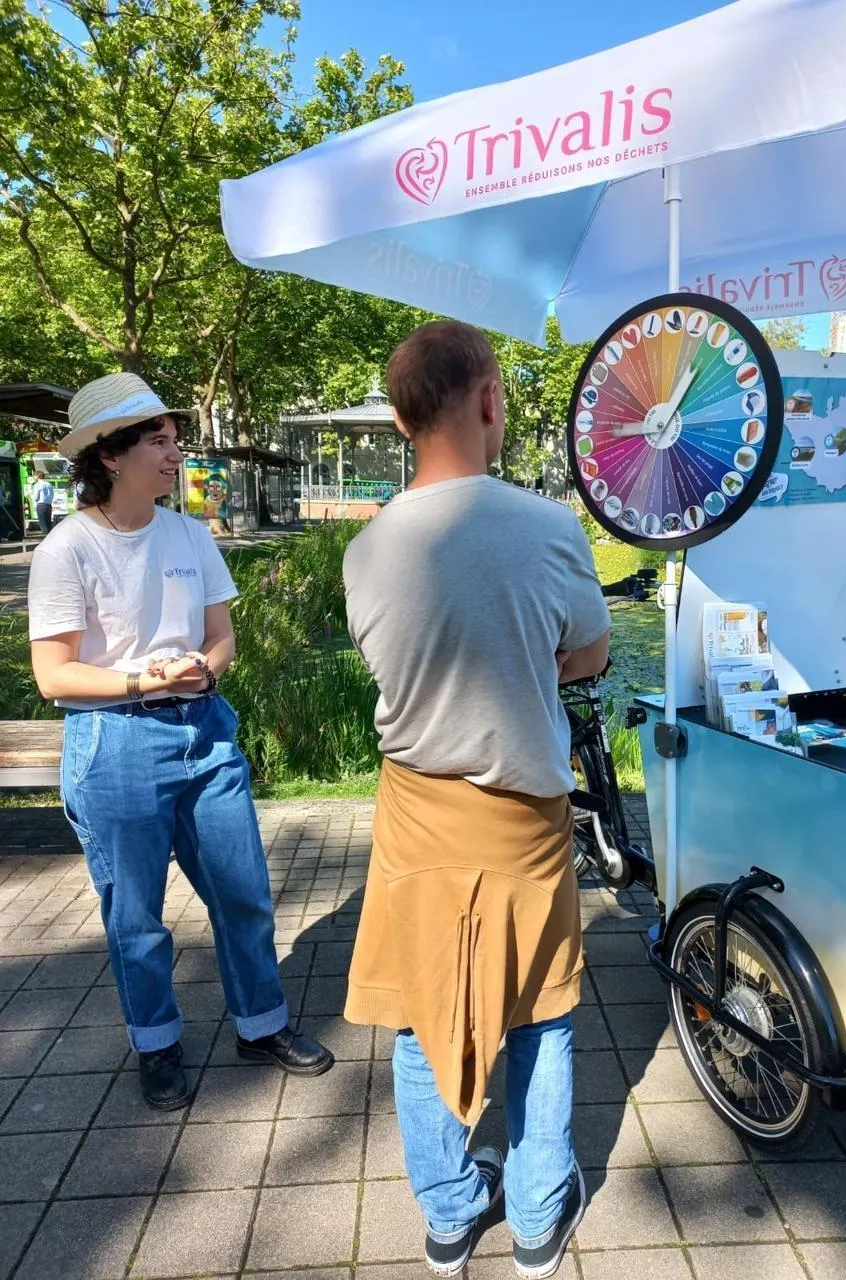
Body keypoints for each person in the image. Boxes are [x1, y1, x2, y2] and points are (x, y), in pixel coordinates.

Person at [342, 322, 610, 1278]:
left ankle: (451, 1214)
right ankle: (538, 1216)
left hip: (414, 807)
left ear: (404, 415)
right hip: (520, 815)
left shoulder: (366, 551)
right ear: (489, 397)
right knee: (541, 1009)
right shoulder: (545, 527)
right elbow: (588, 653)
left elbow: (398, 666)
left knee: (422, 1013)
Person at [27, 372, 334, 1111]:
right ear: (110, 455)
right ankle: (156, 1045)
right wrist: (144, 682)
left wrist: (201, 669)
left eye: (174, 439)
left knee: (243, 893)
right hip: (114, 743)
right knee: (135, 917)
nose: (176, 453)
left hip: (204, 733)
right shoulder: (67, 550)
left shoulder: (189, 534)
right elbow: (53, 675)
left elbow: (221, 638)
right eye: (159, 441)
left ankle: (260, 1025)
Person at [31, 468, 55, 535]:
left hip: (40, 505)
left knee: (43, 523)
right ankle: (51, 537)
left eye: (34, 476)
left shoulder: (37, 485)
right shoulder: (49, 484)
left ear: (37, 476)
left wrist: (30, 495)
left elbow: (36, 498)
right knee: (48, 522)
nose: (34, 477)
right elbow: (52, 495)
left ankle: (45, 537)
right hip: (48, 505)